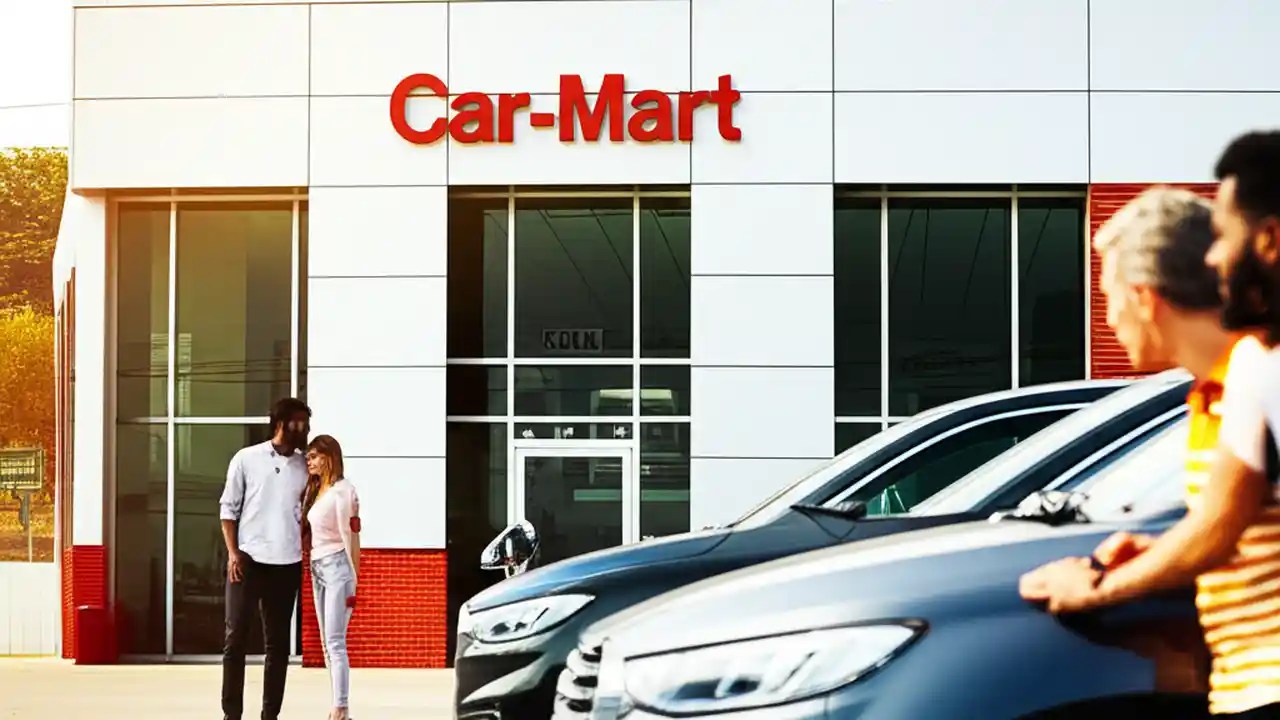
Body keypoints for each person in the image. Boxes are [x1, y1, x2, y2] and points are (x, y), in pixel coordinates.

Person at [1019, 181, 1280, 717]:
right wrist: (1155, 550)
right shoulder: (1218, 390)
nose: (1109, 318)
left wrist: (1097, 588)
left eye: (1109, 295)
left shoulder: (1258, 367)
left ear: (1145, 296)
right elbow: (1236, 526)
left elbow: (1214, 532)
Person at [219, 398, 312, 720]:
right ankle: (231, 714)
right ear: (280, 423)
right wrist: (233, 553)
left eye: (306, 423)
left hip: (287, 563)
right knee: (235, 639)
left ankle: (270, 715)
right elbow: (227, 509)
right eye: (298, 423)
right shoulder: (247, 459)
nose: (303, 429)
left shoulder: (304, 466)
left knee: (277, 646)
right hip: (247, 560)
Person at [301, 435, 361, 720]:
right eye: (308, 457)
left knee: (336, 641)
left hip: (338, 569)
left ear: (328, 457)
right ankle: (339, 705)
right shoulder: (318, 490)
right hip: (317, 569)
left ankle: (341, 707)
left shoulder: (343, 491)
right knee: (327, 643)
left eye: (314, 456)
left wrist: (354, 580)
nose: (309, 461)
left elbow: (353, 536)